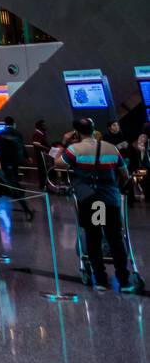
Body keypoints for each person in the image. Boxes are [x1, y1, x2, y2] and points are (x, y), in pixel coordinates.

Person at [57, 118, 133, 293]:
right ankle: (125, 280)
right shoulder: (111, 148)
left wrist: (64, 143)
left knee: (94, 238)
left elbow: (57, 163)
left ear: (77, 132)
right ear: (93, 129)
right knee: (115, 239)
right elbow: (124, 173)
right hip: (111, 199)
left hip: (92, 200)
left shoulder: (75, 149)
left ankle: (100, 279)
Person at [0, 116, 34, 220]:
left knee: (4, 186)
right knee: (13, 182)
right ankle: (24, 205)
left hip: (1, 166)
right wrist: (26, 156)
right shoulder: (16, 134)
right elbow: (21, 146)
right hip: (11, 163)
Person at [32, 119, 52, 191]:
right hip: (41, 155)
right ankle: (43, 186)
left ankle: (45, 185)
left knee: (44, 170)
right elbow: (36, 144)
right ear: (40, 126)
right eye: (44, 125)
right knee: (42, 170)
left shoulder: (42, 133)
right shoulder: (37, 134)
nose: (45, 126)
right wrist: (47, 148)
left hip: (43, 155)